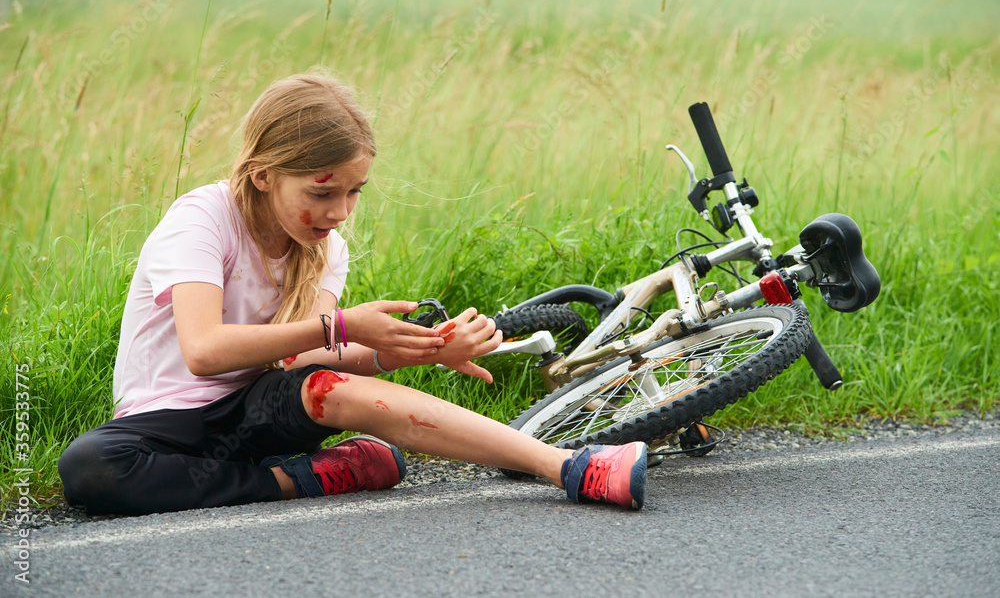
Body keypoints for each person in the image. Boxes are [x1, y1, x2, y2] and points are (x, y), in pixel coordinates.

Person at [58, 73, 647, 515]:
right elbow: (204, 352)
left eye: (354, 192)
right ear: (264, 174)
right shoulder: (202, 220)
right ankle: (300, 479)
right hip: (165, 424)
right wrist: (342, 326)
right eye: (321, 192)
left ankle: (570, 466)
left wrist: (410, 350)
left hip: (260, 409)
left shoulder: (324, 246)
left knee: (327, 386)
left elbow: (308, 361)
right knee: (89, 469)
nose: (338, 212)